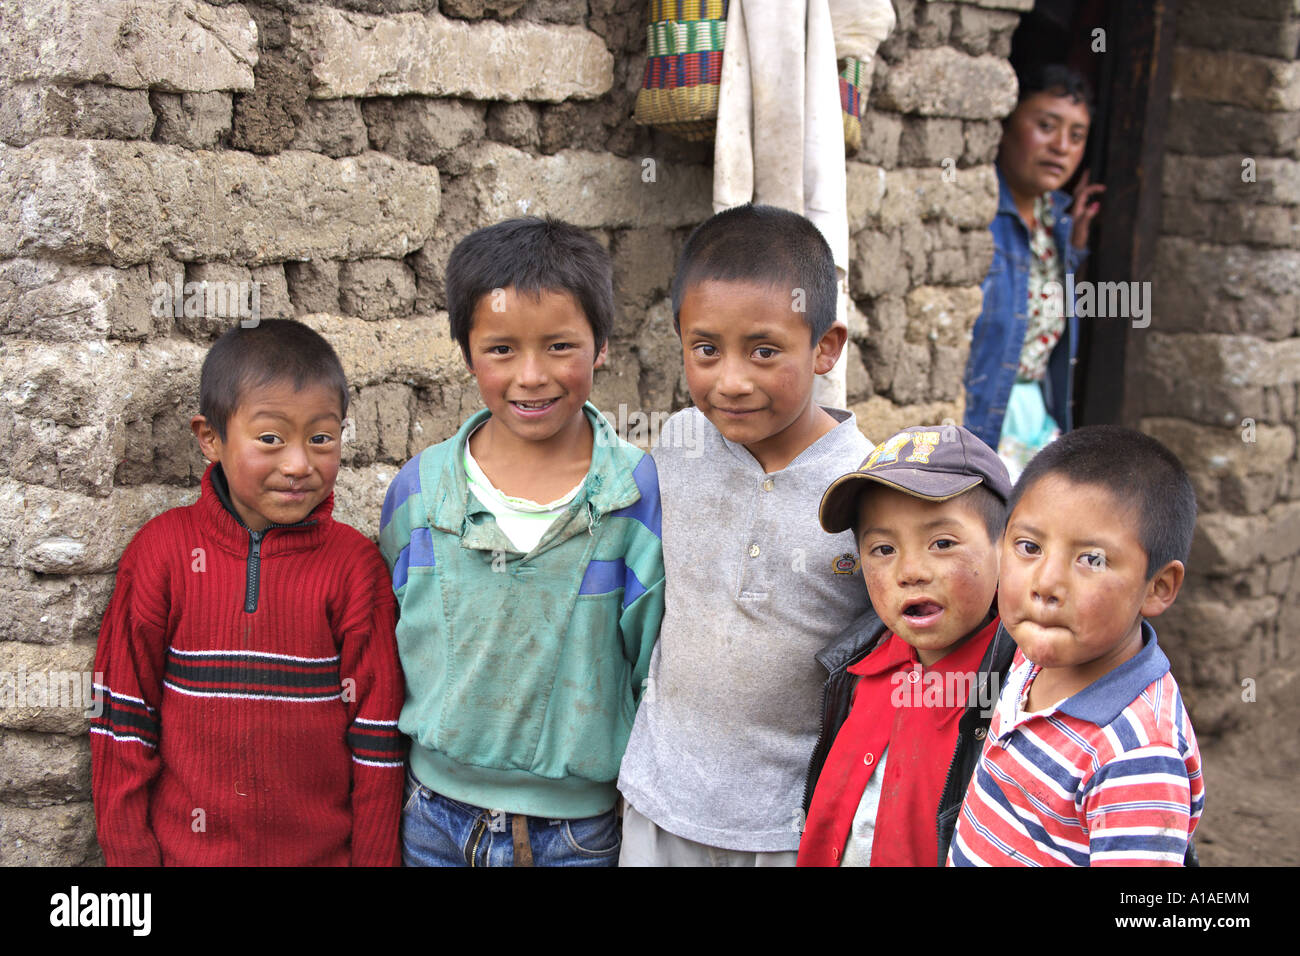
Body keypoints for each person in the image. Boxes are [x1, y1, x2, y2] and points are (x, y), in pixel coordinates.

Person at [378, 217, 664, 867]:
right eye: (501, 349)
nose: (531, 376)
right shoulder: (421, 494)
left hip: (576, 834)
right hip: (432, 820)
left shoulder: (633, 496)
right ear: (466, 351)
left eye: (560, 346)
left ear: (602, 347)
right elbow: (395, 641)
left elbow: (653, 666)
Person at [91, 319, 405, 866]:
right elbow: (123, 723)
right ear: (210, 438)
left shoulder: (354, 569)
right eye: (270, 439)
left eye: (321, 438)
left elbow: (377, 740)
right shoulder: (162, 554)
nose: (298, 464)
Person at [617, 203, 874, 865]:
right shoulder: (677, 446)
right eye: (706, 349)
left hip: (788, 823)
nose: (731, 380)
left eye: (764, 351)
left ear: (826, 347)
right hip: (660, 803)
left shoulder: (867, 489)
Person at [948, 425, 1204, 866]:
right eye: (1028, 547)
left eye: (1092, 559)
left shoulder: (1137, 756)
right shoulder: (1030, 656)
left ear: (1158, 587)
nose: (1046, 584)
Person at [798, 425, 1015, 866]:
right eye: (882, 549)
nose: (910, 571)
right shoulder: (859, 670)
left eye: (942, 543)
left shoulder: (1020, 694)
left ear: (1007, 548)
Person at [962, 64, 1105, 479]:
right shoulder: (980, 215)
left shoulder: (1056, 221)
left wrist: (1074, 247)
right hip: (983, 416)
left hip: (1032, 418)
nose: (1061, 146)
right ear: (1005, 125)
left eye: (1076, 136)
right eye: (1046, 126)